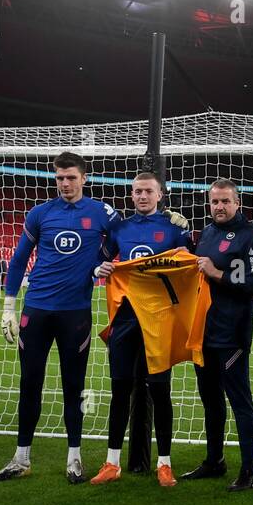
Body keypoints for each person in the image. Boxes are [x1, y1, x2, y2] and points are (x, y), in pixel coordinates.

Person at [0, 152, 119, 484]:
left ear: (84, 178)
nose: (65, 183)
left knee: (73, 386)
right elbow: (19, 260)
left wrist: (98, 261)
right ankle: (21, 458)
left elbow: (126, 236)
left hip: (75, 312)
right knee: (29, 382)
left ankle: (74, 458)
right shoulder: (40, 214)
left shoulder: (101, 212)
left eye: (71, 177)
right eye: (60, 178)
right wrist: (8, 306)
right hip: (37, 309)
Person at [90, 172, 192, 488]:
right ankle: (112, 463)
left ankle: (164, 464)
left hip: (158, 319)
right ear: (132, 195)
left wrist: (187, 230)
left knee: (159, 390)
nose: (142, 196)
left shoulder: (174, 228)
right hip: (124, 319)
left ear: (160, 194)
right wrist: (100, 267)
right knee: (120, 390)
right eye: (137, 192)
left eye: (148, 191)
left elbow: (190, 263)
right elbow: (100, 260)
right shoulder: (120, 228)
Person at [180, 178, 253, 491]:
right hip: (203, 333)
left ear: (237, 203)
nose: (219, 207)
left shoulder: (251, 238)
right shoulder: (206, 232)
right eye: (214, 201)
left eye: (225, 201)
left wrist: (216, 273)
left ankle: (249, 469)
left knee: (239, 401)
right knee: (210, 402)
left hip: (232, 335)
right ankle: (214, 461)